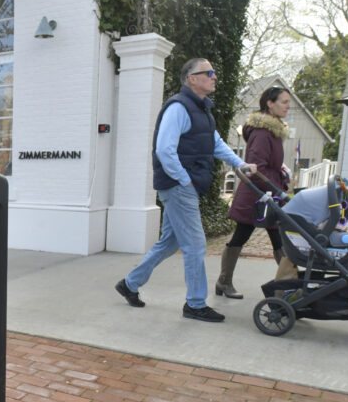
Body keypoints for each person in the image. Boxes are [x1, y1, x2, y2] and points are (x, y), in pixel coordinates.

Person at [114, 57, 256, 323]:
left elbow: (215, 143)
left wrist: (240, 163)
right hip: (179, 186)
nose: (214, 77)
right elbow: (164, 150)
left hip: (185, 185)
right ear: (192, 79)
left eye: (214, 72)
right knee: (195, 245)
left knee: (170, 242)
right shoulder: (178, 108)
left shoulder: (202, 110)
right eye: (208, 72)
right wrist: (184, 179)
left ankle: (130, 284)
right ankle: (195, 303)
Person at [215, 86, 292, 298]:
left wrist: (282, 169)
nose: (288, 106)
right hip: (257, 196)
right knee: (242, 235)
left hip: (266, 194)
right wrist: (278, 184)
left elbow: (268, 163)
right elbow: (257, 167)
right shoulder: (262, 132)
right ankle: (224, 282)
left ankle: (288, 286)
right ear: (270, 103)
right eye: (284, 101)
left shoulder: (272, 132)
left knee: (278, 238)